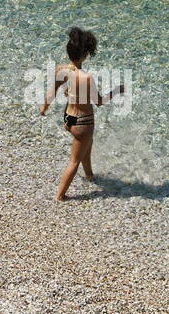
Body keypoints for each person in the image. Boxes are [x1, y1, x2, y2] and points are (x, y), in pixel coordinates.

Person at [39, 27, 124, 201]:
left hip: (68, 118)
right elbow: (99, 102)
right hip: (83, 123)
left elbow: (52, 91)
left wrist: (44, 107)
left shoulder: (60, 70)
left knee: (86, 146)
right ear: (85, 54)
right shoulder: (86, 77)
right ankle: (60, 195)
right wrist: (117, 90)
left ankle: (90, 175)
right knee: (74, 161)